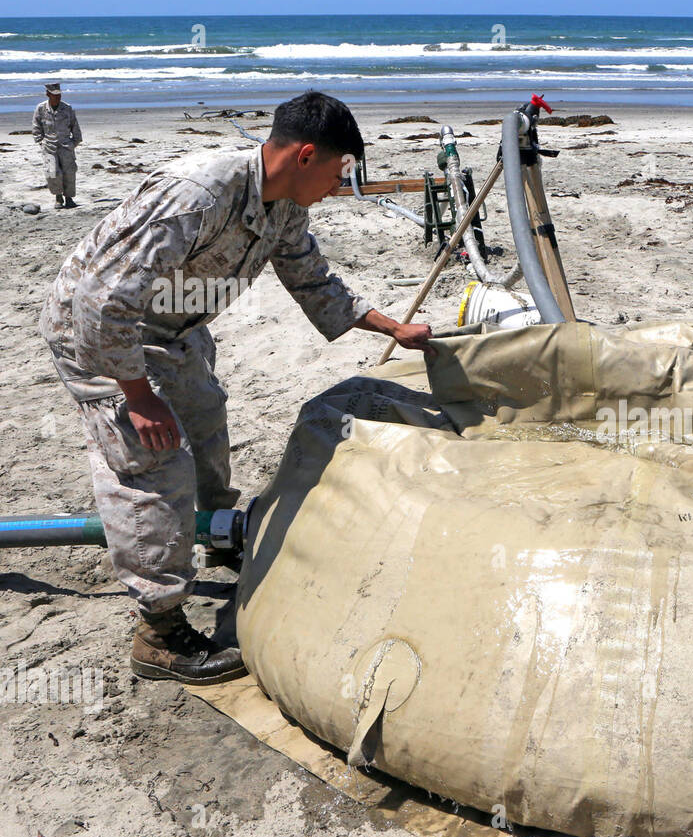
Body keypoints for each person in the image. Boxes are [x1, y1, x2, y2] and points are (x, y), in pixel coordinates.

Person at [40, 90, 437, 684]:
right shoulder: (199, 194)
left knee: (205, 423)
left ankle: (214, 529)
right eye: (337, 174)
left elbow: (312, 278)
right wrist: (138, 396)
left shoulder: (284, 205)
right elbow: (103, 299)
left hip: (172, 327)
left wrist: (392, 327)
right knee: (153, 464)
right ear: (305, 156)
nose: (337, 188)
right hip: (99, 335)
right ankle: (160, 632)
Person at [32, 82, 82, 208]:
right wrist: (41, 142)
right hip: (49, 146)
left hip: (66, 145)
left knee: (69, 172)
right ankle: (58, 198)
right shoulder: (41, 108)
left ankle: (69, 198)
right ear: (48, 94)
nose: (57, 97)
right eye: (54, 95)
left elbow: (74, 126)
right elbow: (36, 127)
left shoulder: (67, 108)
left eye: (59, 94)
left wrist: (74, 142)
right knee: (52, 173)